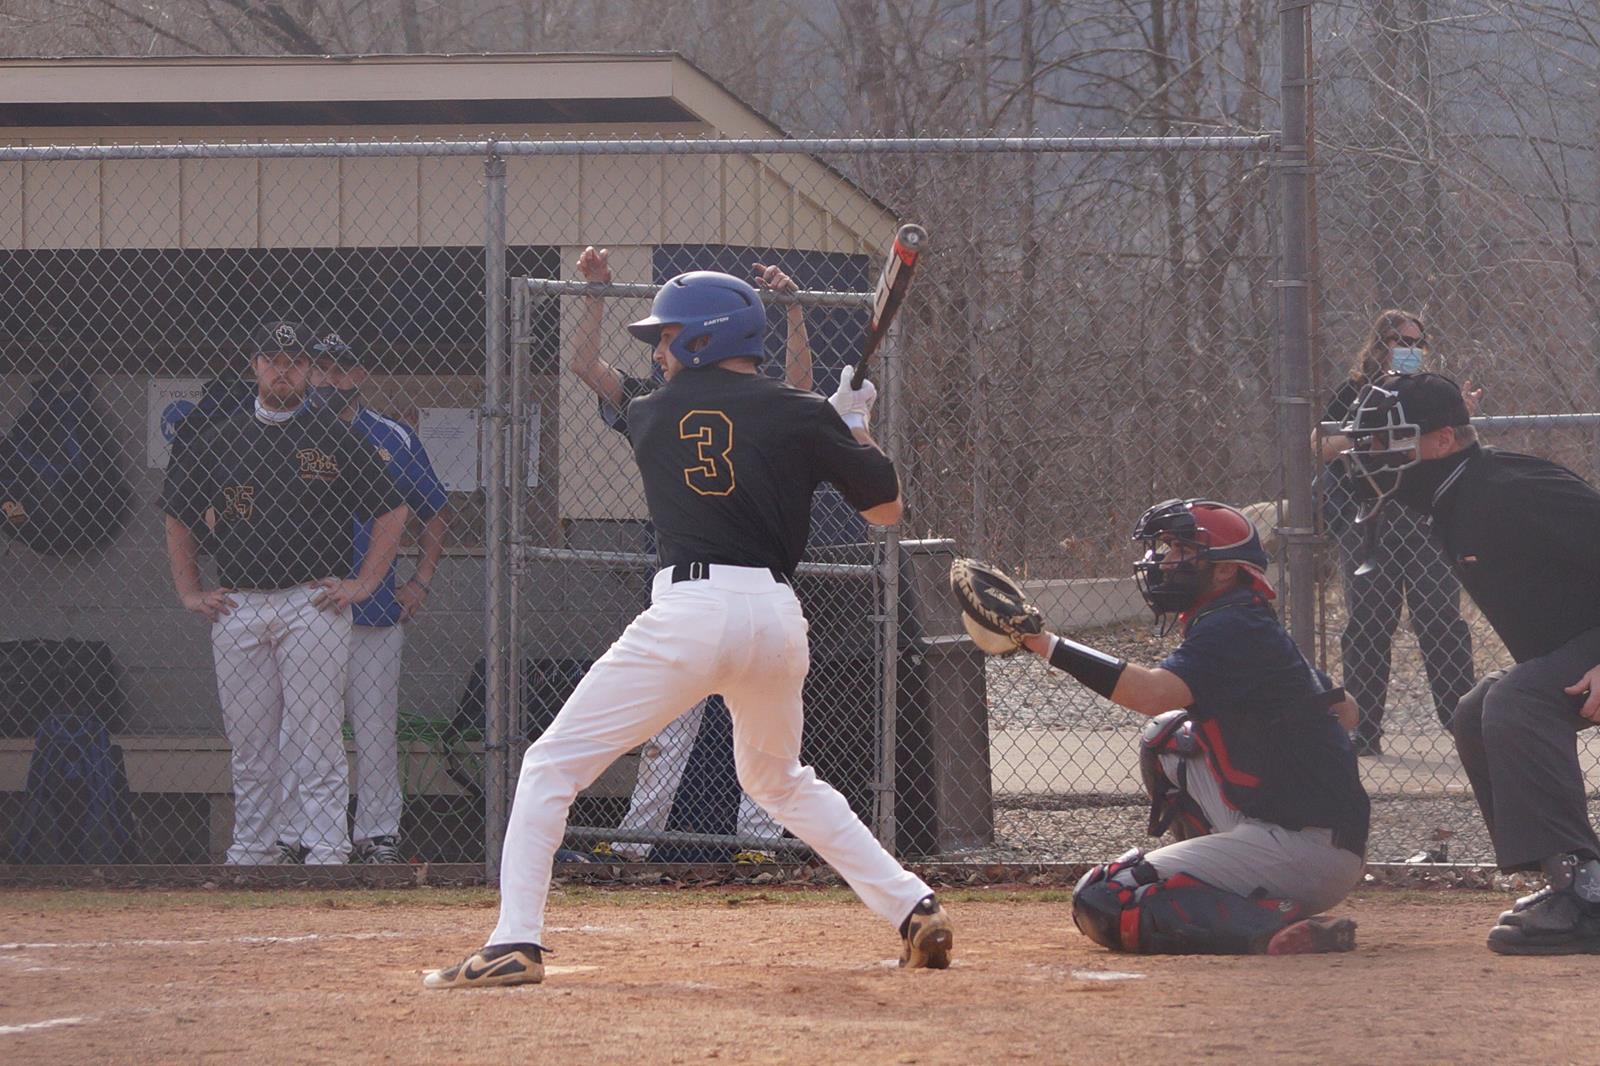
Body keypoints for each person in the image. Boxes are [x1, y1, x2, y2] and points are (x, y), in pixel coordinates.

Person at [424, 270, 952, 988]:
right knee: (780, 781)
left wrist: (823, 418)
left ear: (707, 336)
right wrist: (852, 420)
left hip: (690, 615)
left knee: (550, 767)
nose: (658, 352)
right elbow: (887, 509)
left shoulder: (651, 412)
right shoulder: (799, 412)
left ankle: (515, 939)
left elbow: (636, 389)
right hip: (775, 618)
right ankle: (911, 905)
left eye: (667, 336)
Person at [1016, 499, 1370, 955]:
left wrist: (1044, 644)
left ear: (1224, 571)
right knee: (1167, 740)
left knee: (1106, 897)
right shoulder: (1242, 619)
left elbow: (1150, 693)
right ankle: (1235, 891)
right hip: (1298, 831)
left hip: (1304, 846)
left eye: (1181, 550)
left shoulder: (1234, 625)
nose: (1163, 560)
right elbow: (1349, 710)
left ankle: (1266, 924)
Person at [1341, 371, 1600, 954]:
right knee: (1478, 708)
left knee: (1516, 699)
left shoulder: (1510, 487)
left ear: (1441, 441)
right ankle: (1569, 879)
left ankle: (1588, 895)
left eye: (1387, 442)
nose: (1370, 457)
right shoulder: (1456, 495)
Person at [571, 246, 807, 861]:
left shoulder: (723, 402)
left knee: (746, 731)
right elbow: (586, 365)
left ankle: (755, 846)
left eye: (668, 338)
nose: (658, 352)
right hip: (694, 579)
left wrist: (794, 313)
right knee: (677, 731)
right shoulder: (656, 398)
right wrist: (793, 313)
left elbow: (801, 393)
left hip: (731, 577)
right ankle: (637, 847)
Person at [160, 320, 407, 865]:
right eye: (272, 358)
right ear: (255, 365)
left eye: (294, 360)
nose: (283, 368)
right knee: (250, 745)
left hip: (311, 603)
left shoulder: (334, 436)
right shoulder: (217, 437)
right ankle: (252, 849)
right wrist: (189, 592)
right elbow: (178, 515)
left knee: (316, 736)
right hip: (239, 603)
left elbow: (393, 509)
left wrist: (364, 583)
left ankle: (325, 850)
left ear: (307, 369)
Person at [271, 332, 450, 865]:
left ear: (361, 374)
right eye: (321, 368)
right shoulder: (282, 431)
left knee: (374, 725)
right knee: (300, 725)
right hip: (303, 604)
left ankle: (377, 833)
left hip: (372, 610)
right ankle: (294, 834)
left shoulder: (391, 436)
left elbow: (434, 508)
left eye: (342, 369)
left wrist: (419, 580)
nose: (331, 378)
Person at [1316, 309, 1475, 756]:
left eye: (1417, 343)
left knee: (1442, 623)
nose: (1410, 350)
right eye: (1400, 340)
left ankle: (1464, 726)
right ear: (1379, 344)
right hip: (1372, 518)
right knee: (1368, 627)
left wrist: (1462, 413)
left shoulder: (1427, 393)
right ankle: (1363, 733)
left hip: (1426, 521)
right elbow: (1319, 445)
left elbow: (1455, 444)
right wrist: (1365, 431)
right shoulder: (1355, 393)